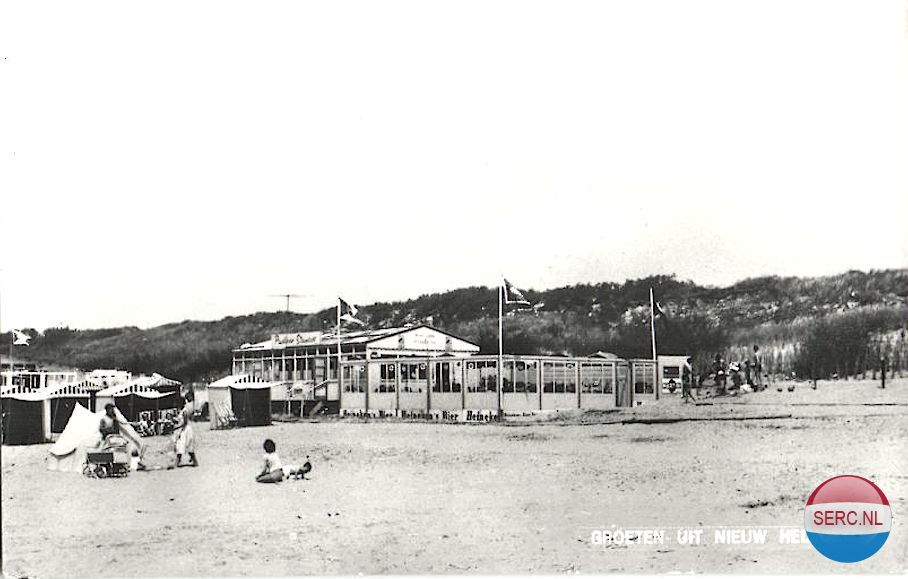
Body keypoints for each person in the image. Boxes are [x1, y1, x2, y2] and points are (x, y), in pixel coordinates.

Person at [173, 391, 198, 467]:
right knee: (183, 446)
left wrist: (176, 427)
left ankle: (176, 464)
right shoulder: (182, 411)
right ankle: (194, 462)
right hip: (183, 429)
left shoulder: (185, 411)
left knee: (182, 445)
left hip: (186, 430)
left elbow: (185, 422)